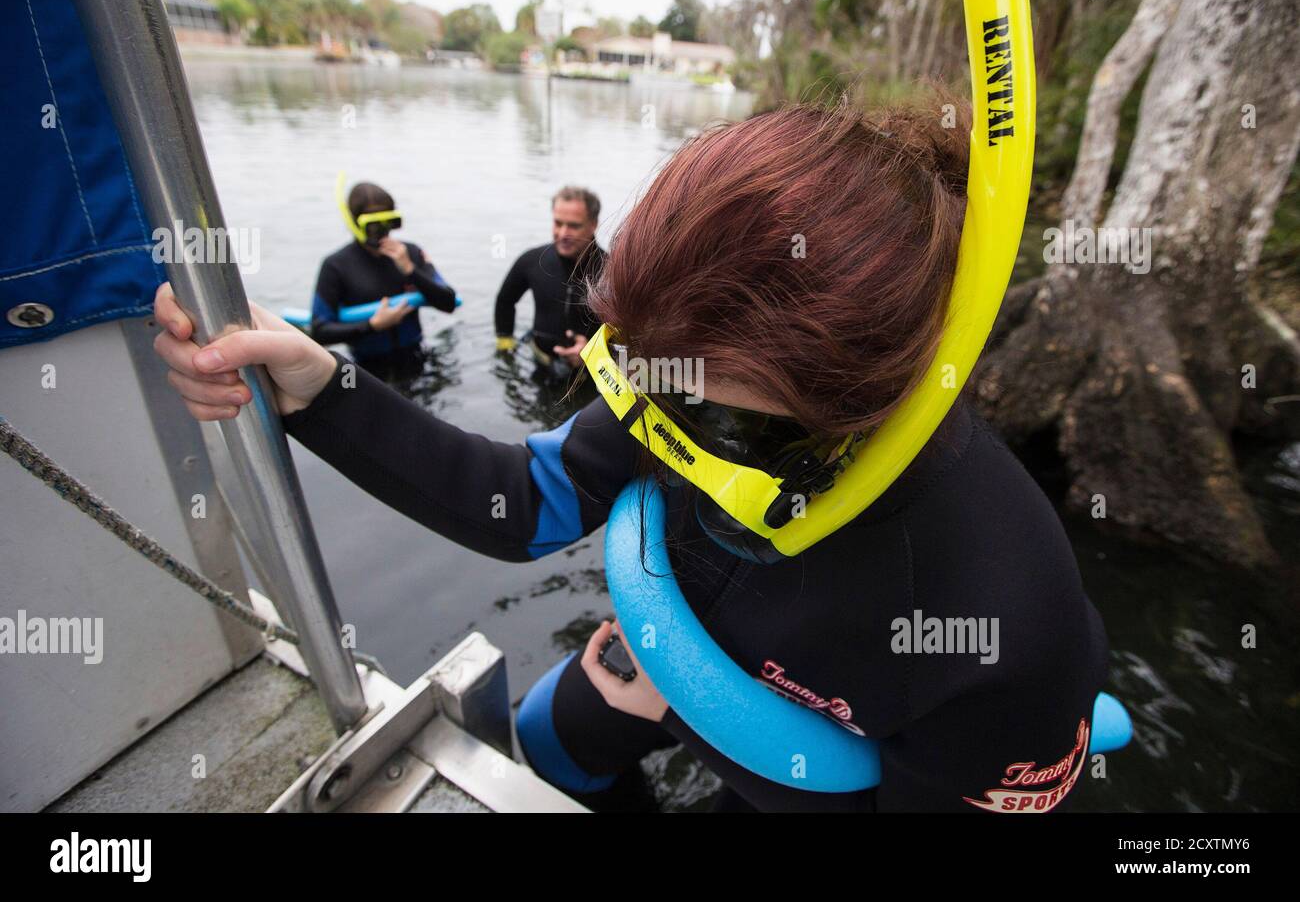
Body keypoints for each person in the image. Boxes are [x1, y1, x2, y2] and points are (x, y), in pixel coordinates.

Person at [152, 99, 1109, 812]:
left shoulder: (1007, 619)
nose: (662, 435)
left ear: (866, 413)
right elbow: (522, 501)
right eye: (641, 377)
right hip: (669, 651)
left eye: (720, 425)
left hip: (826, 757)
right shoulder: (689, 382)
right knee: (541, 747)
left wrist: (723, 721)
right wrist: (318, 387)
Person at [311, 180, 457, 383]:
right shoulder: (336, 266)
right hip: (366, 367)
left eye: (390, 222)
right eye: (373, 226)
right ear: (354, 223)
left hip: (417, 359)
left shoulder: (411, 253)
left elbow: (449, 303)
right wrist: (372, 325)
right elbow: (319, 331)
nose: (383, 232)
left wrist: (410, 270)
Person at [494, 186, 605, 379]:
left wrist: (593, 352)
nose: (563, 233)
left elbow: (629, 334)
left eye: (573, 225)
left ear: (594, 224)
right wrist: (505, 346)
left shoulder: (612, 272)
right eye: (557, 223)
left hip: (591, 376)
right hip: (540, 366)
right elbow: (505, 300)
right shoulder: (531, 261)